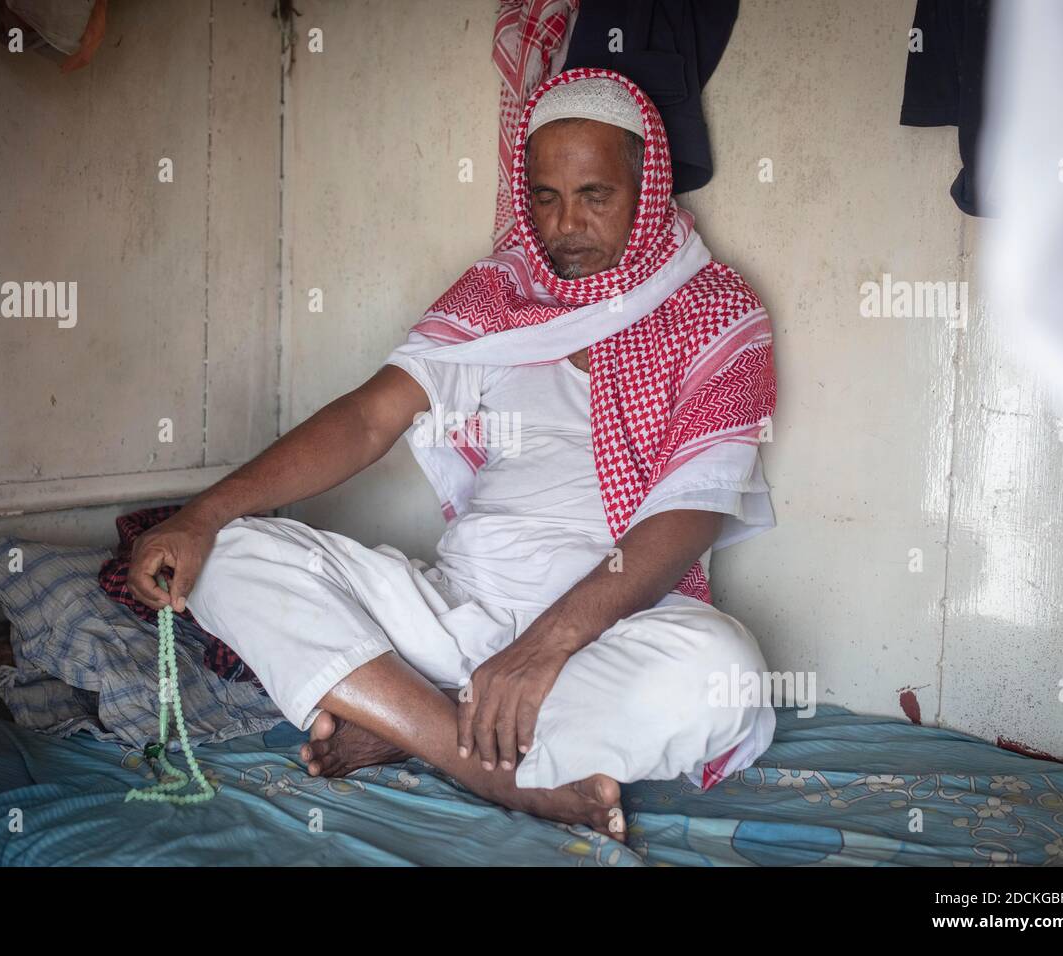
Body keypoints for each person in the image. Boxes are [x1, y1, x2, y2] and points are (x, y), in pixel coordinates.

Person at [127, 69, 778, 841]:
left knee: (722, 672)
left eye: (594, 195)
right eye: (544, 196)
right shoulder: (498, 295)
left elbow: (692, 513)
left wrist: (544, 647)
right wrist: (201, 516)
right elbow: (369, 419)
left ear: (646, 188)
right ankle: (475, 757)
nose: (564, 225)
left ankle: (409, 725)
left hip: (606, 629)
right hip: (458, 608)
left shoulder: (719, 316)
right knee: (232, 554)